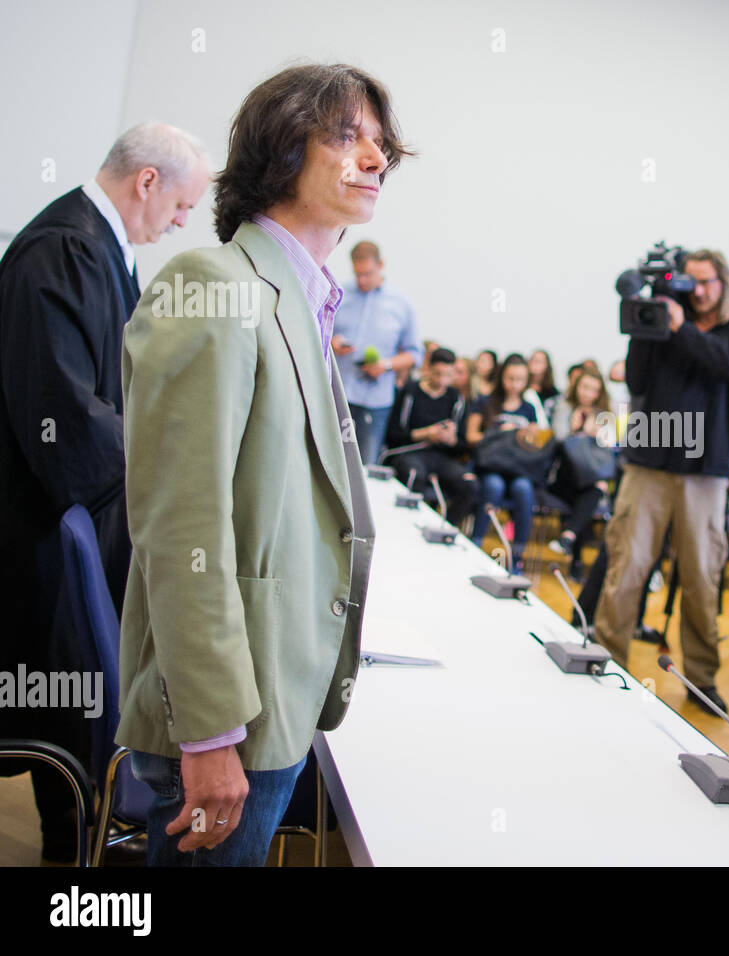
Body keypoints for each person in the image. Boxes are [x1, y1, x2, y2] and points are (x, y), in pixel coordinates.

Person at [118, 63, 410, 866]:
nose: (375, 160)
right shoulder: (215, 284)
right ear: (282, 149)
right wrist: (208, 733)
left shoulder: (299, 299)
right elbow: (182, 524)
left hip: (277, 693)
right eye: (347, 137)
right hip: (226, 721)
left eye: (381, 146)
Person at [0, 120, 209, 863]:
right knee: (59, 697)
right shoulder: (62, 248)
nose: (183, 223)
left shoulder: (99, 248)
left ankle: (78, 836)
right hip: (39, 522)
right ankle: (72, 846)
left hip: (68, 515)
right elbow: (66, 415)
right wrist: (159, 466)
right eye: (182, 206)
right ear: (146, 181)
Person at [593, 248, 729, 713]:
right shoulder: (662, 313)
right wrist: (646, 324)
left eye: (708, 283)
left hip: (705, 471)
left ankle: (702, 680)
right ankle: (608, 661)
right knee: (626, 566)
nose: (700, 291)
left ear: (724, 284)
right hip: (649, 459)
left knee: (701, 577)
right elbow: (638, 379)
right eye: (693, 282)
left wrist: (678, 328)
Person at [329, 241, 421, 465]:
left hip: (374, 400)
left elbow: (415, 354)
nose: (362, 280)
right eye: (357, 274)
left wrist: (386, 365)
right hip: (337, 394)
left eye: (367, 274)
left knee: (364, 467)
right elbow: (318, 333)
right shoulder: (338, 294)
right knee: (330, 462)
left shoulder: (401, 304)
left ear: (381, 265)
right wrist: (331, 342)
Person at [385, 347, 477, 526]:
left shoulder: (456, 399)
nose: (442, 380)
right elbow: (393, 435)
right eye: (437, 374)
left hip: (441, 456)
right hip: (410, 452)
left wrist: (451, 439)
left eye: (448, 375)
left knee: (469, 484)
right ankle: (408, 526)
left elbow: (462, 444)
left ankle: (446, 529)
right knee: (414, 474)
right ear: (428, 369)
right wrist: (427, 433)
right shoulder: (410, 392)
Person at [467, 352, 540, 573]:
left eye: (520, 379)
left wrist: (525, 436)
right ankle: (476, 543)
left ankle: (516, 555)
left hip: (517, 467)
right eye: (510, 378)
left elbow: (535, 444)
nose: (515, 384)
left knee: (524, 489)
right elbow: (471, 437)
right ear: (501, 377)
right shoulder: (485, 402)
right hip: (490, 465)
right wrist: (499, 433)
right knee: (493, 486)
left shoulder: (529, 409)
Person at [547, 367, 614, 578]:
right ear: (577, 387)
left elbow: (608, 450)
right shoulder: (564, 408)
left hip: (587, 478)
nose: (588, 393)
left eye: (593, 389)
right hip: (562, 476)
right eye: (585, 387)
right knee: (593, 492)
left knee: (592, 491)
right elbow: (556, 440)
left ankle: (568, 537)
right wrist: (575, 432)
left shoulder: (604, 416)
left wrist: (596, 434)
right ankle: (574, 556)